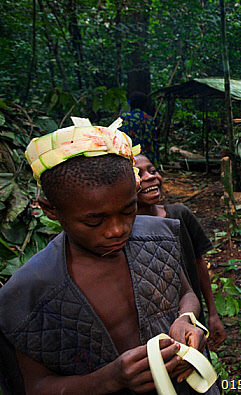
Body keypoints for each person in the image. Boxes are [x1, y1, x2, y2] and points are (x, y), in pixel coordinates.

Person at [0, 117, 219, 395]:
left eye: (128, 210)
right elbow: (35, 386)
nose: (117, 230)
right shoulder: (28, 291)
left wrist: (186, 317)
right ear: (50, 210)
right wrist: (110, 380)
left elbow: (186, 291)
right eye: (94, 221)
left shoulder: (159, 236)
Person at [134, 152, 226, 348]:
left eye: (152, 171)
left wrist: (213, 312)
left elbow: (198, 263)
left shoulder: (180, 215)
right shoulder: (124, 232)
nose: (149, 177)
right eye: (138, 174)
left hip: (190, 316)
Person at [121, 91, 160, 165]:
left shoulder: (125, 117)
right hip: (148, 157)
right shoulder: (149, 119)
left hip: (130, 156)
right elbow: (154, 141)